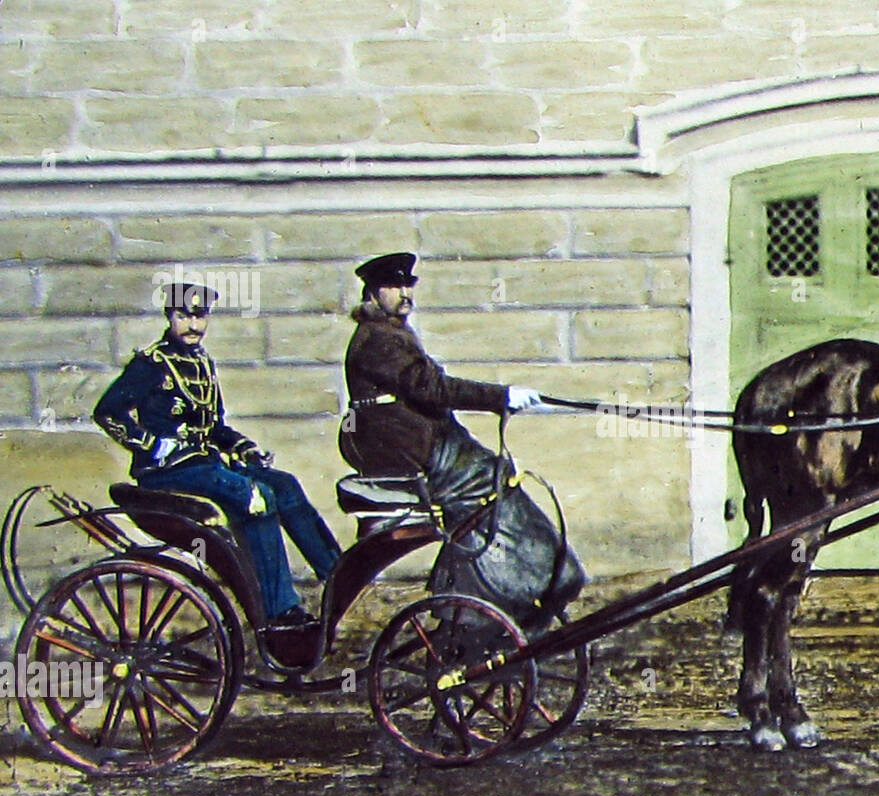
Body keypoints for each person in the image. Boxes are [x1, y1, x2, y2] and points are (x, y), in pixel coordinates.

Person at [94, 282, 342, 668]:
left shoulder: (202, 363)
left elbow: (215, 429)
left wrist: (245, 447)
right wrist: (153, 445)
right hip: (167, 472)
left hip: (205, 465)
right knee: (255, 498)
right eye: (184, 316)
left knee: (284, 485)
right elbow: (107, 412)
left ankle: (335, 574)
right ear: (170, 317)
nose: (193, 325)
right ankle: (280, 611)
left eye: (199, 316)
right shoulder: (151, 365)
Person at [339, 252, 585, 631]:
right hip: (399, 440)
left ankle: (515, 586)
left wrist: (503, 397)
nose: (405, 293)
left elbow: (428, 388)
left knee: (495, 476)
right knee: (486, 483)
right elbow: (432, 387)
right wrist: (500, 397)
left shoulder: (391, 331)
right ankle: (491, 599)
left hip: (416, 433)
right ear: (372, 294)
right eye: (395, 286)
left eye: (408, 285)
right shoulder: (378, 339)